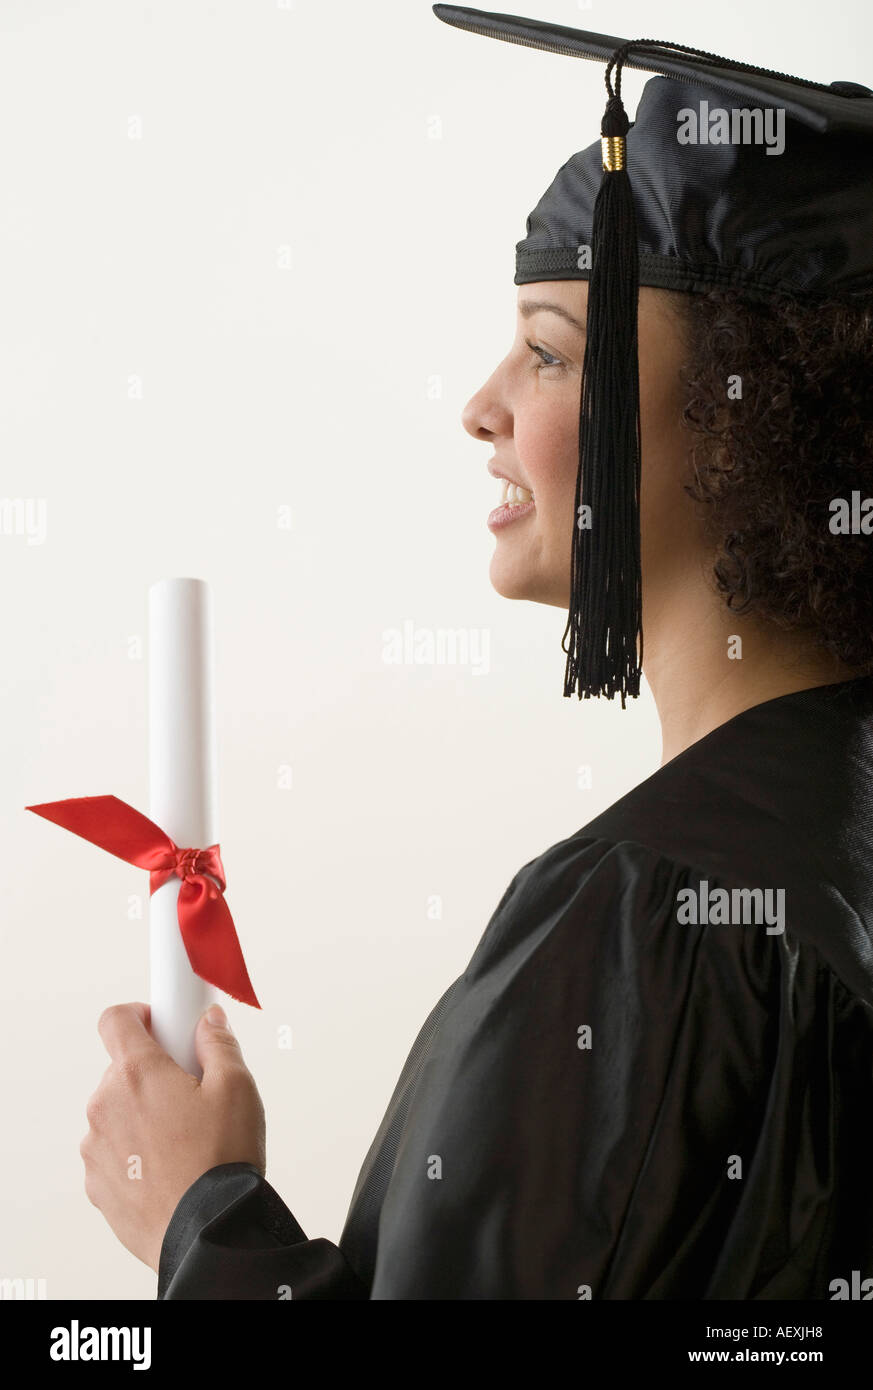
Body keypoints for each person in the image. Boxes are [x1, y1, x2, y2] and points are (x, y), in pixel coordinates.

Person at [80, 8, 873, 1298]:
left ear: (742, 413)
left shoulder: (658, 914)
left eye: (549, 351)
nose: (480, 405)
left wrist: (203, 1221)